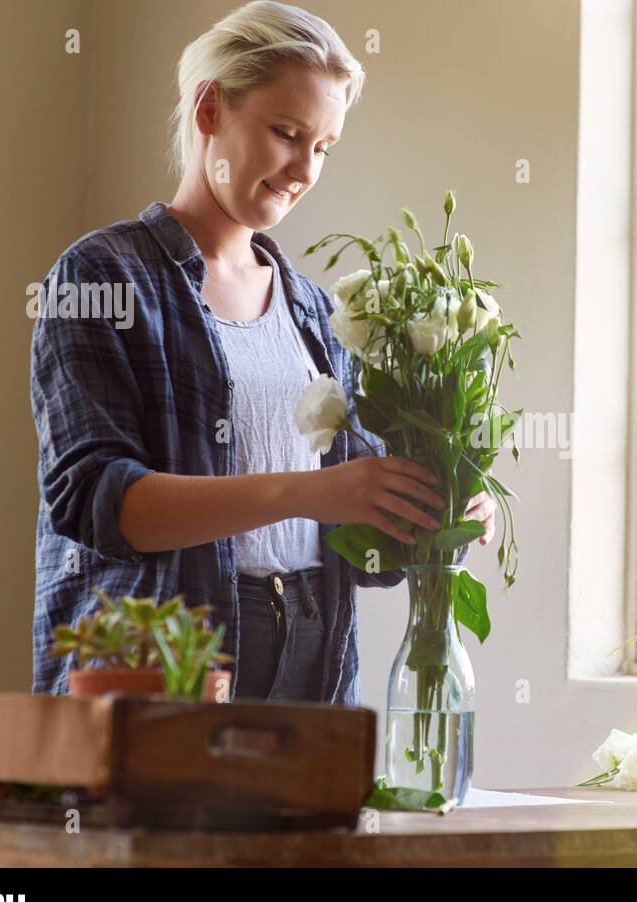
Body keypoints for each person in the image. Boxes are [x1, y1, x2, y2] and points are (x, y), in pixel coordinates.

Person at [29, 1, 495, 705]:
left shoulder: (316, 312)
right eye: (286, 132)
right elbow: (98, 499)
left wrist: (438, 511)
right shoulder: (101, 277)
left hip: (315, 659)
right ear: (210, 109)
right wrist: (309, 491)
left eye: (325, 147)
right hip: (166, 663)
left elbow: (363, 554)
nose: (304, 167)